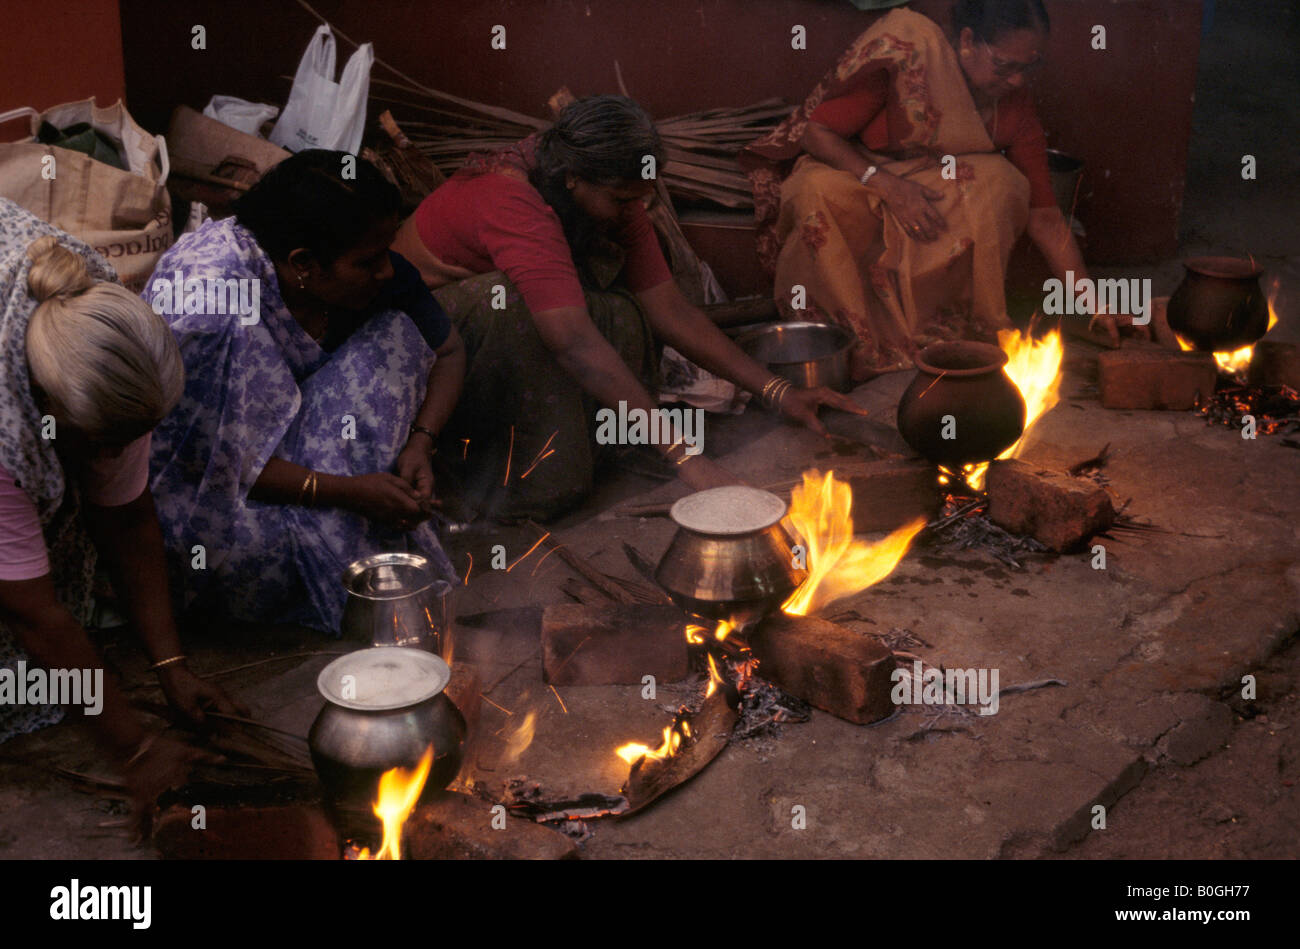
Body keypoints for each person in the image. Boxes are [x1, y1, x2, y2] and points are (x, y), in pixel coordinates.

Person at [392, 95, 862, 521]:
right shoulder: (510, 199)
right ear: (574, 178)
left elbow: (670, 312)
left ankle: (601, 446)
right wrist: (685, 457)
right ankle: (500, 486)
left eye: (641, 195)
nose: (635, 208)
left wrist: (779, 392)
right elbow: (572, 343)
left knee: (621, 311)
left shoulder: (607, 183)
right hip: (418, 344)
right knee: (517, 306)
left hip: (491, 333)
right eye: (623, 198)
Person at [0, 198, 245, 831]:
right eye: (102, 442)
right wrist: (134, 750)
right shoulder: (6, 433)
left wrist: (172, 668)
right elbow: (34, 613)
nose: (116, 456)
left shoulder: (102, 330)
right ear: (49, 405)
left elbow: (127, 514)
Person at [147, 150, 464, 633]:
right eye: (367, 261)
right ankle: (355, 575)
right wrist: (349, 492)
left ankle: (363, 542)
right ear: (303, 264)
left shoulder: (371, 270)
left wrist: (422, 442)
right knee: (288, 551)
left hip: (295, 451)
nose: (386, 271)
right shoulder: (209, 311)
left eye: (387, 249)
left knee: (397, 336)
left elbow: (448, 353)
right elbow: (211, 465)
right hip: (215, 507)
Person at [741, 0, 1144, 380]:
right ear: (968, 41)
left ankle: (942, 333)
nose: (1018, 80)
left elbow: (1045, 215)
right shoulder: (913, 57)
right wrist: (888, 187)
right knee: (813, 190)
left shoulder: (1013, 106)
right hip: (858, 178)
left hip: (929, 197)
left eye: (1029, 66)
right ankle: (851, 339)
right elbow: (816, 132)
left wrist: (1094, 303)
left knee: (1000, 185)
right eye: (1005, 66)